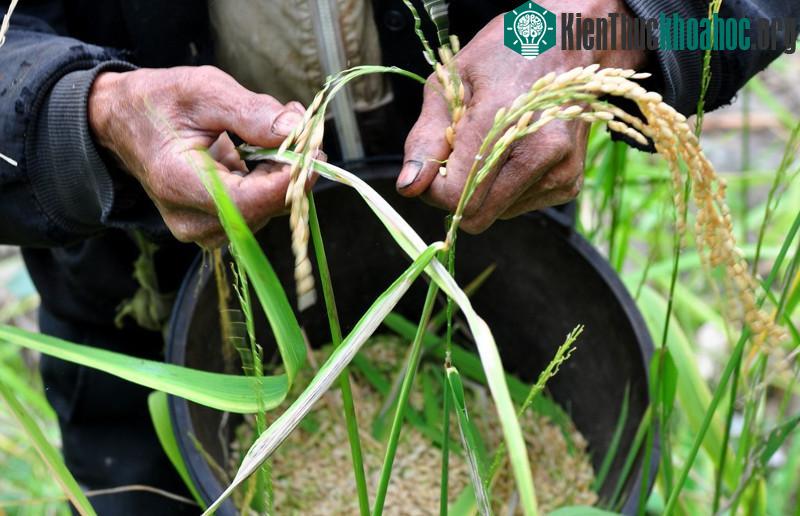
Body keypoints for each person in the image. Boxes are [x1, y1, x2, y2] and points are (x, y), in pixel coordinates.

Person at [0, 0, 797, 513]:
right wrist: (83, 114)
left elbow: (728, 15)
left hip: (493, 226)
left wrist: (606, 29)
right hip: (131, 282)